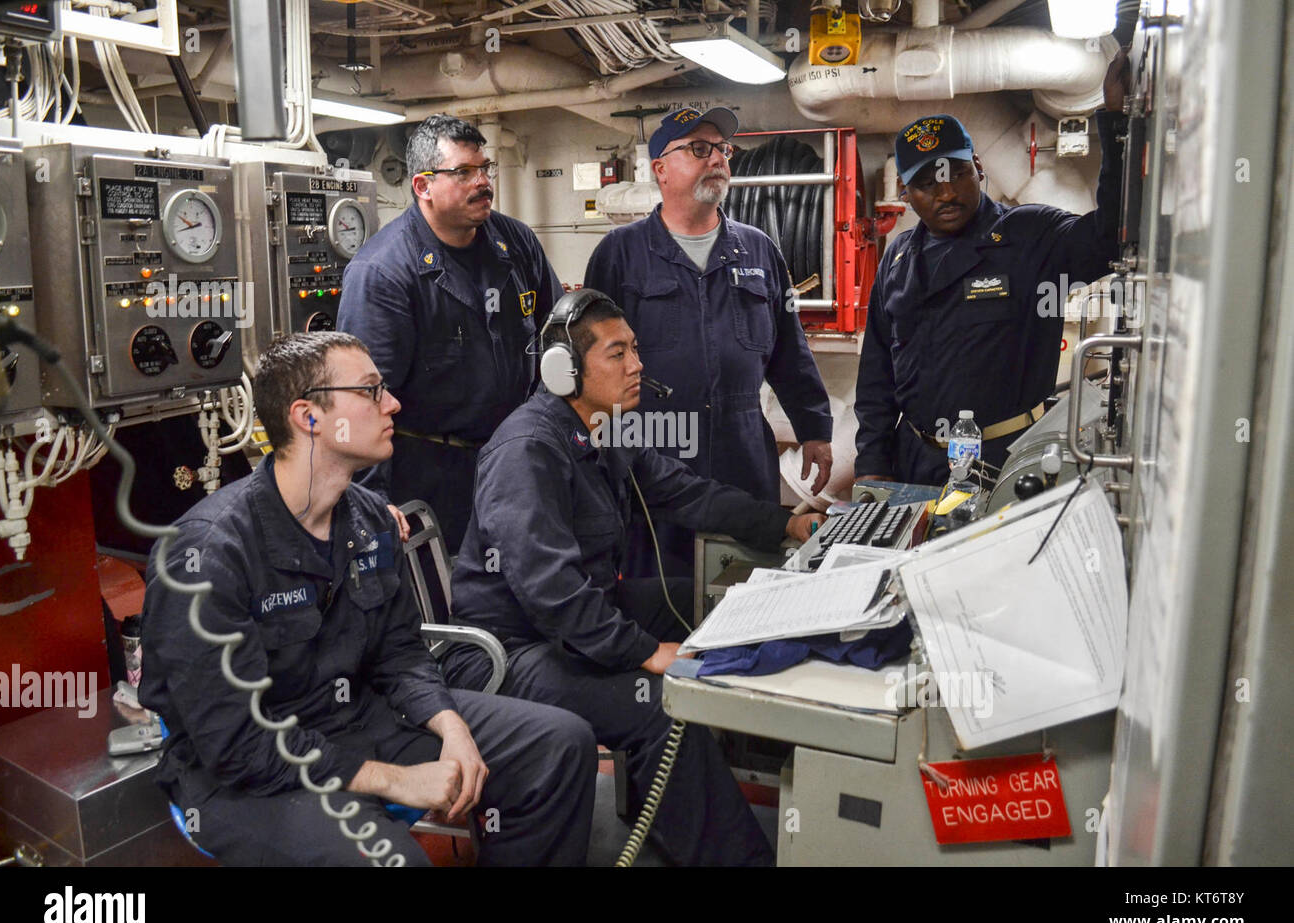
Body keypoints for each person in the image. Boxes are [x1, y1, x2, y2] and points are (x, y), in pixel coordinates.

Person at [138, 332, 596, 866]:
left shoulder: (371, 518)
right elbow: (235, 744)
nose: (394, 404)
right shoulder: (207, 553)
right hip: (248, 776)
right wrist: (397, 780)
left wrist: (454, 729)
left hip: (358, 718)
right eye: (372, 391)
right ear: (308, 416)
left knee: (559, 743)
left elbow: (401, 653)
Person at [444, 290, 825, 866]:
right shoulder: (527, 450)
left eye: (636, 351)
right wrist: (644, 653)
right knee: (659, 703)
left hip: (574, 622)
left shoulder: (607, 430)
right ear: (563, 371)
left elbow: (686, 493)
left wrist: (785, 523)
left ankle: (685, 810)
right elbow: (553, 593)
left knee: (710, 603)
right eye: (617, 353)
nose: (637, 366)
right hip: (513, 649)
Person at [853, 49, 1131, 486]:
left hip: (1003, 462)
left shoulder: (1030, 234)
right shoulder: (899, 258)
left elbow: (1112, 235)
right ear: (905, 193)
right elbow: (876, 375)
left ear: (978, 169)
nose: (945, 194)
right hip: (914, 462)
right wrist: (871, 465)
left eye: (956, 174)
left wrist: (1117, 122)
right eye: (927, 184)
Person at [583, 107, 833, 576]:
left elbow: (788, 351)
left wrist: (814, 428)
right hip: (656, 450)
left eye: (722, 149)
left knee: (748, 576)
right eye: (699, 149)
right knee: (661, 584)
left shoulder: (758, 249)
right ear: (659, 169)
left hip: (743, 450)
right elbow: (593, 362)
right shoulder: (620, 254)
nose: (716, 158)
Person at [338, 114, 562, 552]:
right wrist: (370, 503)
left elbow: (558, 337)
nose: (483, 182)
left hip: (517, 460)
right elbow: (361, 399)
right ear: (423, 186)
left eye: (484, 168)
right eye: (463, 172)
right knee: (449, 599)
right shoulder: (383, 274)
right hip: (433, 477)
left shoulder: (514, 243)